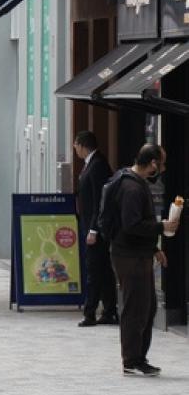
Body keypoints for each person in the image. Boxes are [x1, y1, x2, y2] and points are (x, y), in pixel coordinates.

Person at [106, 144, 178, 376]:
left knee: (146, 307)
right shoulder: (132, 189)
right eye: (162, 163)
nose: (163, 168)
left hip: (137, 253)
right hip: (129, 255)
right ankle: (131, 360)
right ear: (153, 164)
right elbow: (132, 225)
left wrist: (154, 249)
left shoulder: (131, 181)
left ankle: (138, 357)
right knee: (136, 308)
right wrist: (162, 227)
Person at [74, 131, 117, 327]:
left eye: (76, 145)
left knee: (93, 269)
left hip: (96, 229)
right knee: (104, 270)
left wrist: (93, 229)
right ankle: (109, 310)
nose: (75, 149)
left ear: (82, 145)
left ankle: (89, 312)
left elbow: (101, 200)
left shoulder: (98, 165)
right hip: (90, 225)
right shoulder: (90, 164)